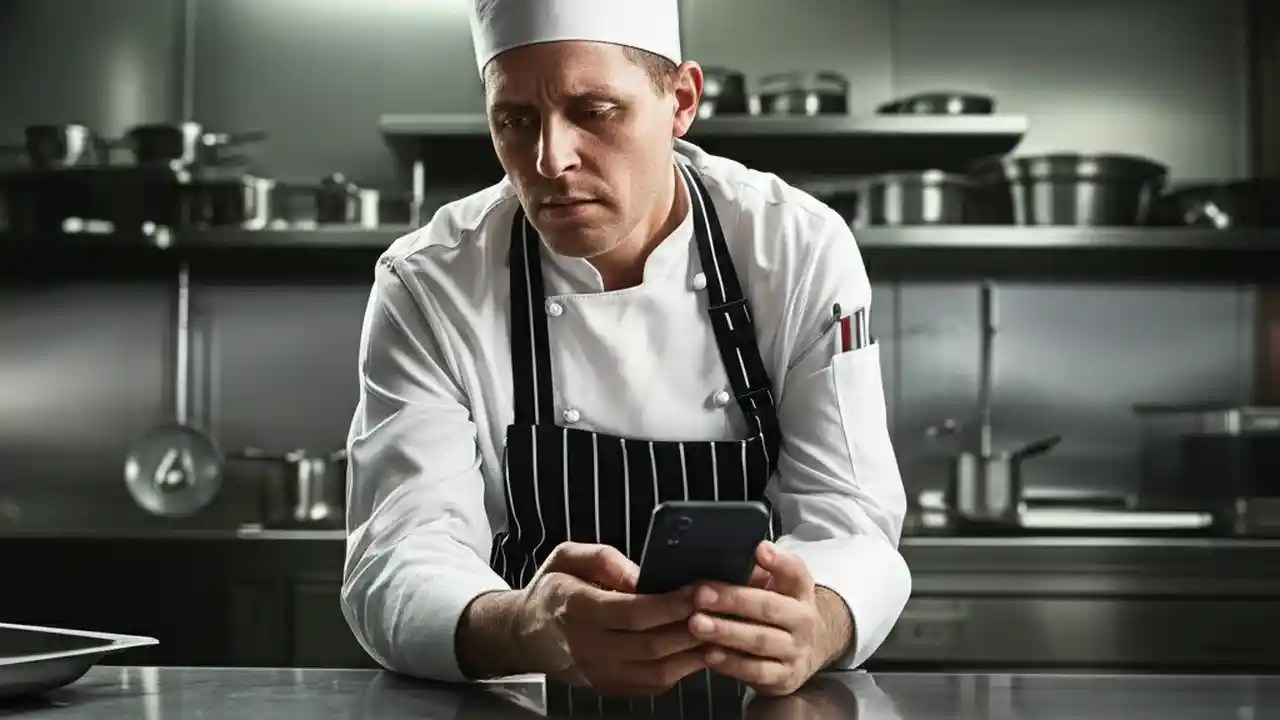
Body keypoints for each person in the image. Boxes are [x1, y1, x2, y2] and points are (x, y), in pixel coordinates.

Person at [340, 0, 910, 699]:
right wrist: (523, 625)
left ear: (681, 101)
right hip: (528, 691)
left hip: (757, 700)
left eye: (593, 110)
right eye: (516, 121)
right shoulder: (431, 282)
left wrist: (816, 621)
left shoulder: (794, 250)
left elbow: (850, 518)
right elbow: (399, 553)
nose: (551, 158)